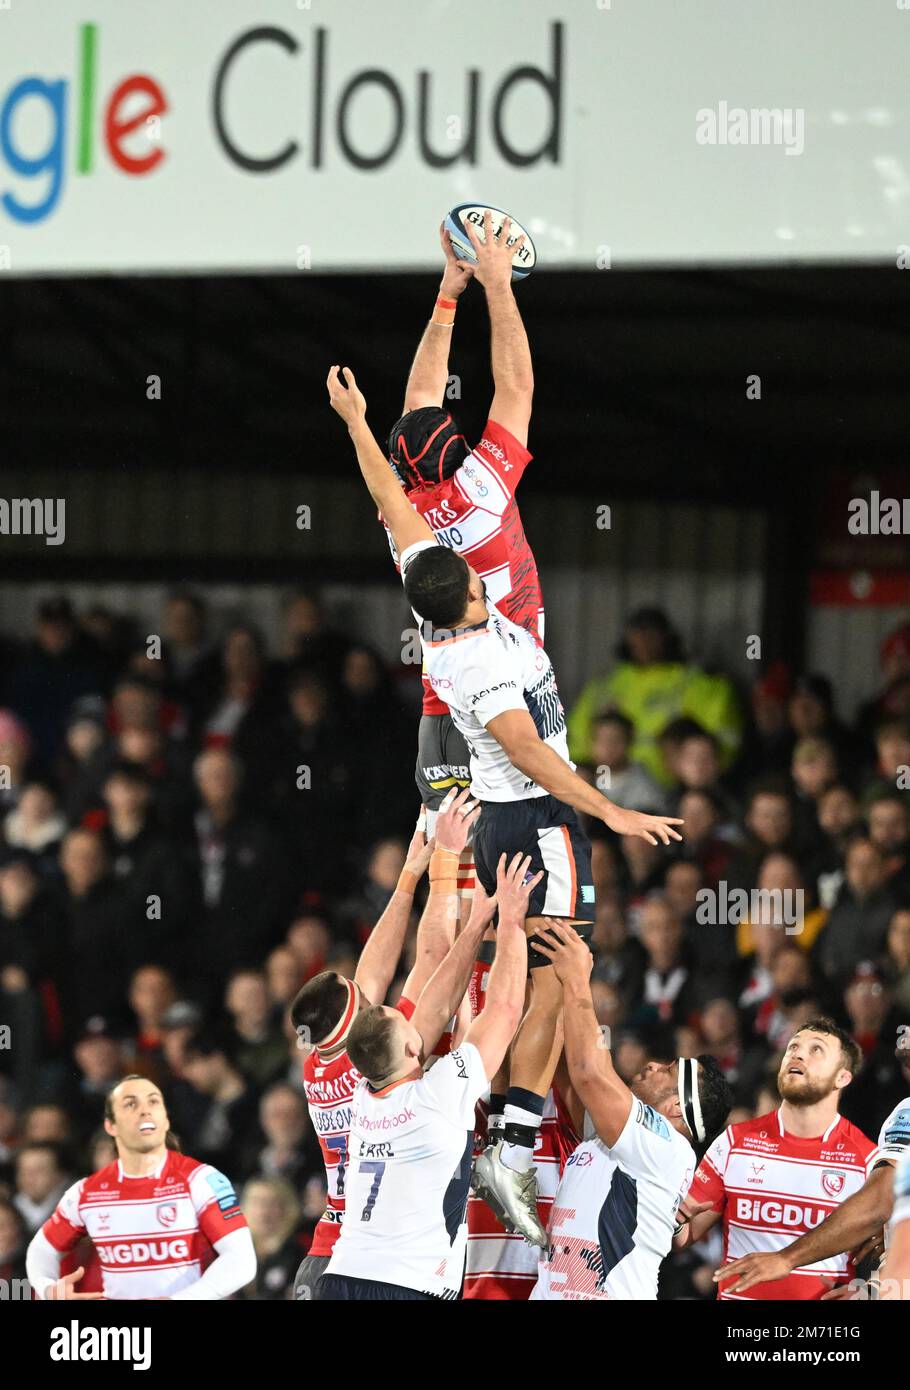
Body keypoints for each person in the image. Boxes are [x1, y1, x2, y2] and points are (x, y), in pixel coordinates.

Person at [327, 350, 682, 1244]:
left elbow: (392, 487)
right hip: (536, 814)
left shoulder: (431, 589)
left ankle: (506, 1126)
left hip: (511, 809)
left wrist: (356, 424)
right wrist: (613, 811)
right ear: (475, 581)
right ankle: (514, 1142)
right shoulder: (480, 654)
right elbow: (534, 754)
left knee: (528, 963)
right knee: (562, 971)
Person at [314, 851, 539, 1301]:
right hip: (406, 1285)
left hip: (339, 1276)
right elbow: (505, 1010)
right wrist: (510, 921)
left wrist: (475, 921)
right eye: (406, 1023)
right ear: (414, 1046)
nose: (413, 1019)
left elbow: (433, 1004)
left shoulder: (363, 1095)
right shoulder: (437, 1094)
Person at [384, 214, 544, 845]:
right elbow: (517, 383)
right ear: (460, 453)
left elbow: (417, 398)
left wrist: (450, 291)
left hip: (441, 705)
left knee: (443, 867)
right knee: (513, 873)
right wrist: (495, 287)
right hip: (510, 697)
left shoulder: (401, 511)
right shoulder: (485, 490)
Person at [289, 789, 479, 1299]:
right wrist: (446, 861)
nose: (368, 989)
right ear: (355, 1020)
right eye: (362, 998)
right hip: (372, 1259)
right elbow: (433, 953)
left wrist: (405, 879)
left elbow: (371, 975)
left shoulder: (318, 1065)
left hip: (326, 1254)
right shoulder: (382, 1060)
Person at [527, 920, 732, 1299]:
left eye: (667, 1071)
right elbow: (566, 1070)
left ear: (674, 1108)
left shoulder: (666, 1144)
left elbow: (589, 1072)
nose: (654, 1064)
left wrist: (576, 977)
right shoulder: (623, 1140)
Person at [675, 1019, 877, 1299]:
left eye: (816, 1050)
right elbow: (683, 1236)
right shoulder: (734, 1142)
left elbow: (898, 1250)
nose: (798, 1053)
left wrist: (871, 1291)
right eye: (793, 1046)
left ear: (842, 1077)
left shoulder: (867, 1159)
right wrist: (673, 1218)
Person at [25, 1073, 256, 1300]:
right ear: (111, 1126)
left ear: (165, 1120)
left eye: (153, 1102)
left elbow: (241, 1261)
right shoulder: (87, 1192)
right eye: (130, 1104)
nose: (145, 1110)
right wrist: (50, 1290)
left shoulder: (200, 1180)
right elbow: (42, 1250)